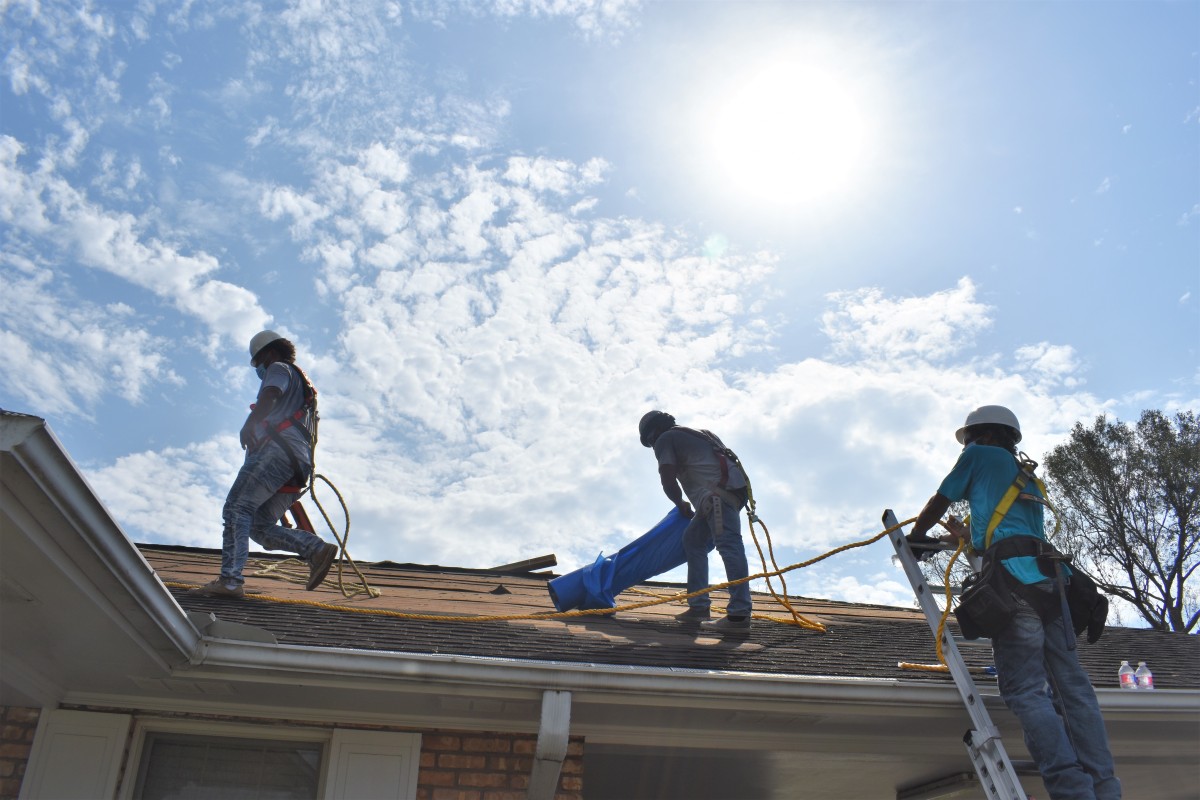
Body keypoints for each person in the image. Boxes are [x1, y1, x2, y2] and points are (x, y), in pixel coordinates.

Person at [906, 405, 1120, 800]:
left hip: (1015, 583)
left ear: (983, 436)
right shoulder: (1025, 475)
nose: (966, 446)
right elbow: (1010, 529)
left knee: (1024, 691)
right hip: (1052, 583)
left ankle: (1071, 789)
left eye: (968, 439)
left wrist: (918, 536)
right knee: (1072, 689)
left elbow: (940, 499)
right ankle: (1103, 788)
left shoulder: (978, 455)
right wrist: (965, 540)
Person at [189, 331, 338, 598]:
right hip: (296, 465)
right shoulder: (302, 384)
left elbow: (269, 395)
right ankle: (315, 549)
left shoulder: (279, 368)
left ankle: (230, 581)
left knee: (237, 508)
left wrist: (250, 423)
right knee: (259, 526)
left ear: (267, 354)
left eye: (258, 362)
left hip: (277, 453)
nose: (259, 369)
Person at [639, 410, 752, 633]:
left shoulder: (665, 439)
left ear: (654, 432)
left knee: (729, 546)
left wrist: (680, 502)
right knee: (693, 541)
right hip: (724, 496)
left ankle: (739, 616)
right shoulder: (702, 434)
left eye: (650, 441)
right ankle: (699, 607)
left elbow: (667, 478)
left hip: (716, 497)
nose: (653, 446)